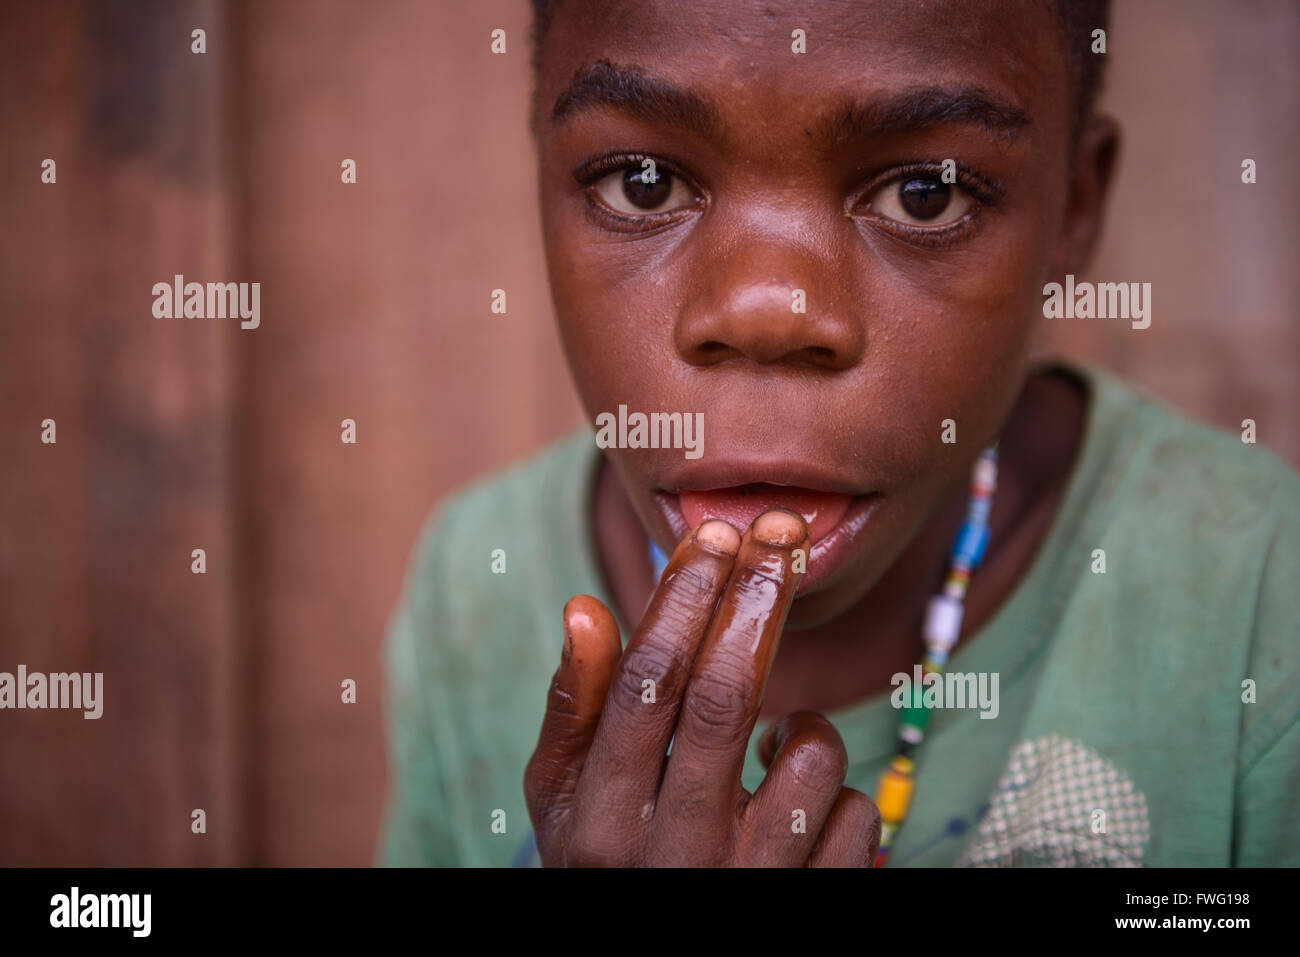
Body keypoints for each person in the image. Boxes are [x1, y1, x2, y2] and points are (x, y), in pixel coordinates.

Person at [377, 0, 1300, 867]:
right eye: (643, 182)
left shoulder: (1258, 601)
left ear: (1074, 210)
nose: (767, 312)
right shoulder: (474, 588)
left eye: (926, 197)